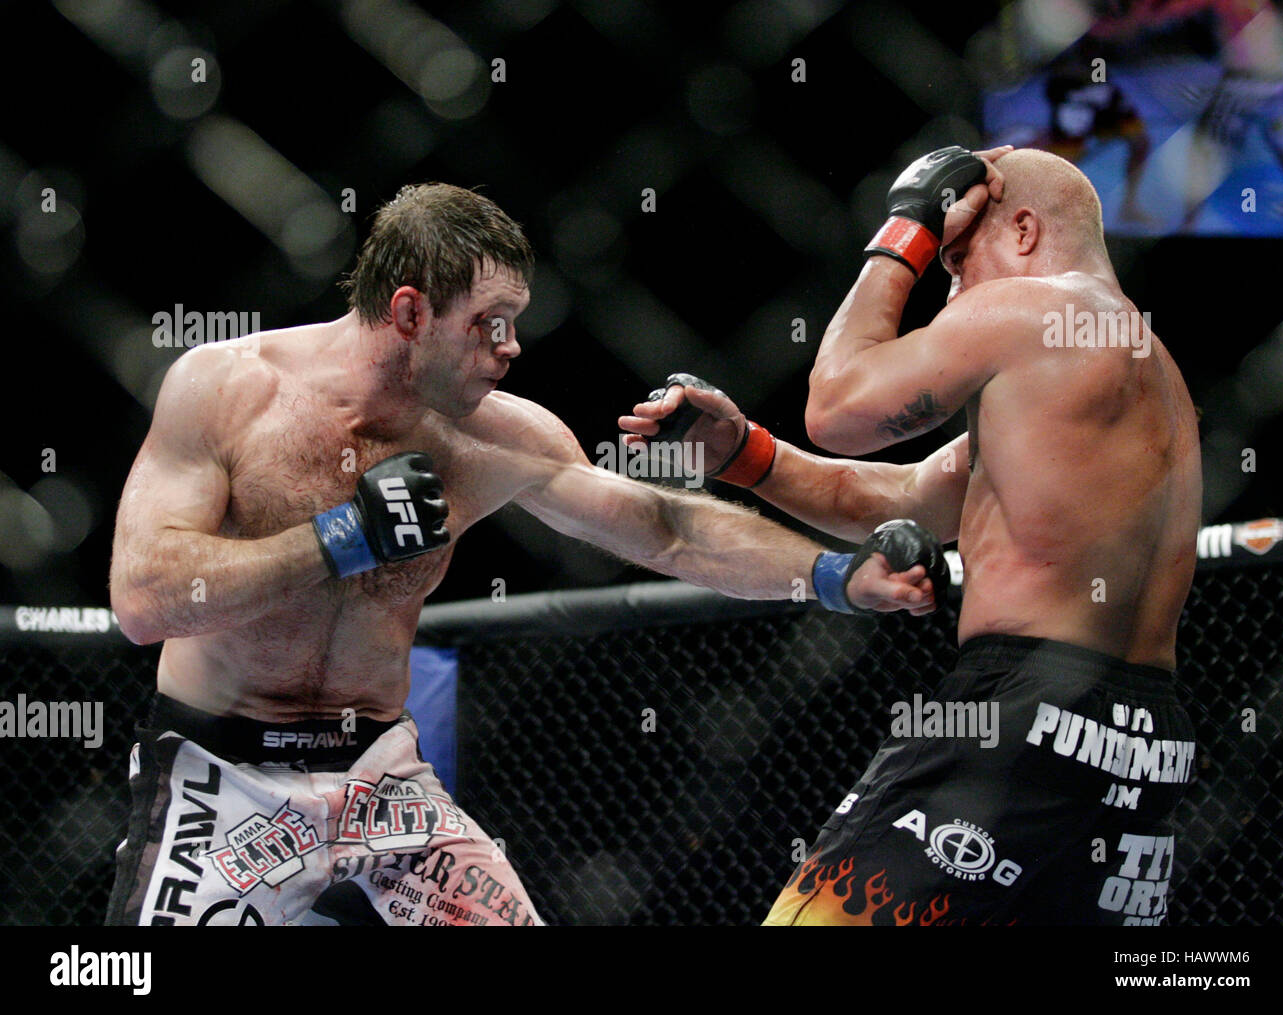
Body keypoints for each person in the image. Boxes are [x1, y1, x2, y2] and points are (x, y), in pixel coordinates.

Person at [105, 182, 942, 927]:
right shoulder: (225, 389)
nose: (511, 348)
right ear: (408, 313)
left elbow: (667, 528)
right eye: (489, 324)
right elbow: (145, 599)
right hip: (223, 767)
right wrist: (337, 539)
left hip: (380, 777)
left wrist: (834, 575)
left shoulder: (495, 436)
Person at [622, 146, 1202, 925]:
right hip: (1144, 743)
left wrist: (908, 230)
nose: (952, 289)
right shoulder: (1155, 376)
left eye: (958, 258)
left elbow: (838, 406)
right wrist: (745, 455)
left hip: (1023, 710)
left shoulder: (1034, 308)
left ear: (1023, 228)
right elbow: (904, 493)